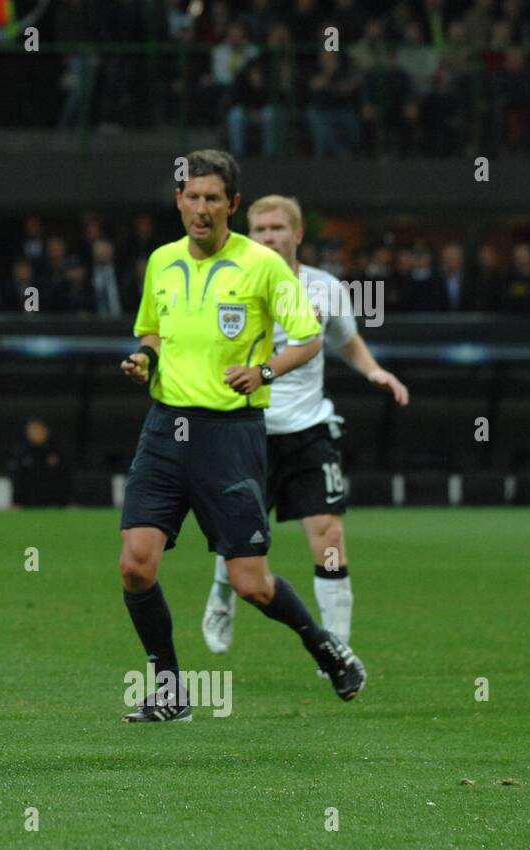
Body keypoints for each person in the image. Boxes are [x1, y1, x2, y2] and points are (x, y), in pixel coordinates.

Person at [118, 149, 365, 722]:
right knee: (135, 563)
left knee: (250, 581)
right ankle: (171, 689)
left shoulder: (262, 265)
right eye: (191, 197)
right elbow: (152, 333)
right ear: (178, 200)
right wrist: (142, 360)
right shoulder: (161, 262)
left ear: (232, 204)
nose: (200, 209)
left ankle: (324, 646)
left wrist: (266, 371)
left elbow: (307, 338)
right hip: (164, 429)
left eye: (212, 199)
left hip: (231, 434)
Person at [201, 194, 409, 669]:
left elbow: (347, 342)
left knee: (330, 536)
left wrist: (374, 372)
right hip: (246, 429)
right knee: (238, 540)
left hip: (309, 429)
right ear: (246, 235)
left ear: (297, 235)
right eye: (260, 230)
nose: (269, 237)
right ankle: (221, 595)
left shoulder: (326, 289)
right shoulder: (226, 284)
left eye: (277, 228)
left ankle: (334, 648)